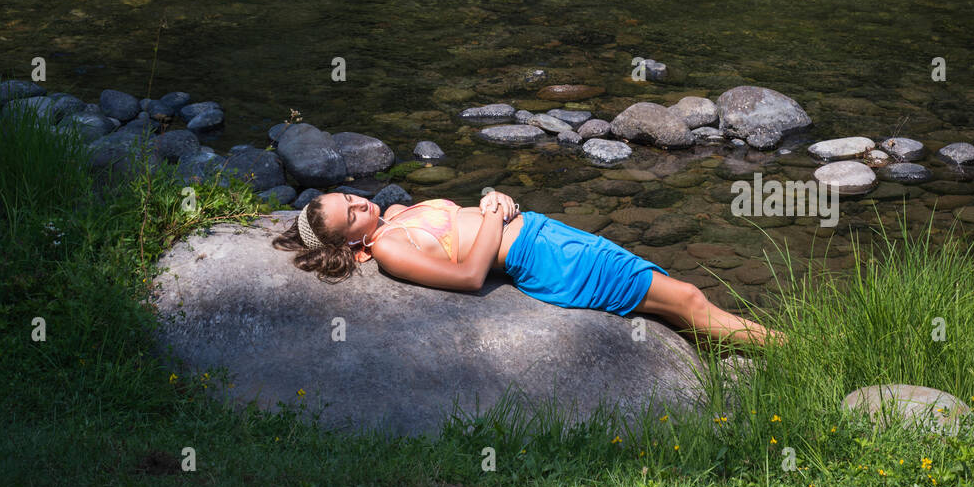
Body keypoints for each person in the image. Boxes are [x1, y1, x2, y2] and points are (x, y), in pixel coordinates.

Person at [271, 189, 784, 347]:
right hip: (547, 261)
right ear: (352, 240)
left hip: (547, 233)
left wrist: (493, 198)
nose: (360, 202)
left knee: (679, 303)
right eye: (351, 214)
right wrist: (495, 215)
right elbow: (471, 275)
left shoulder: (398, 215)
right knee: (689, 299)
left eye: (349, 196)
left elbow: (467, 220)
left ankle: (761, 352)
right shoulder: (388, 249)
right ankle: (797, 353)